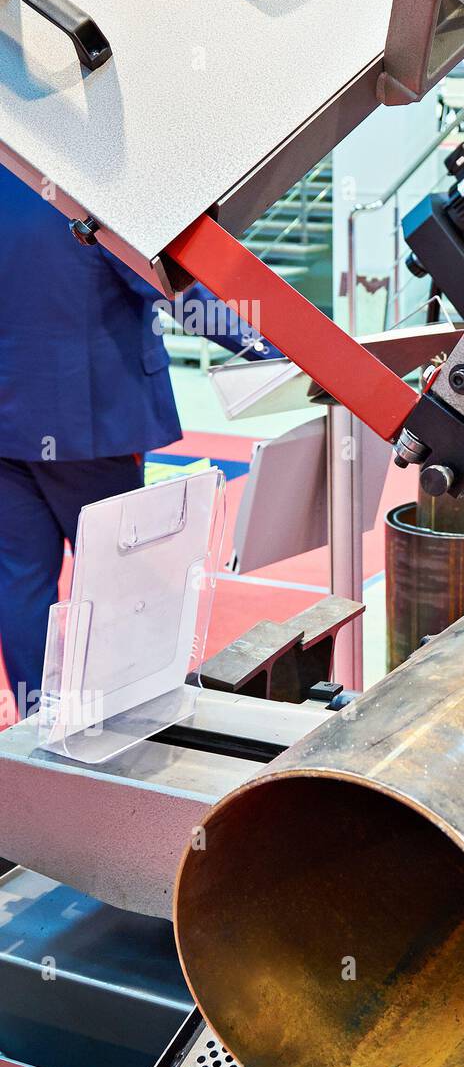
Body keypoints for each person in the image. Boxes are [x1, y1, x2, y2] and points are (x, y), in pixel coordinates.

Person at [0, 165, 277, 721]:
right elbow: (180, 293)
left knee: (21, 582)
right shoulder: (91, 184)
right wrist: (276, 349)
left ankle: (35, 726)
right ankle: (118, 722)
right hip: (92, 422)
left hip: (11, 423)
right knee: (122, 582)